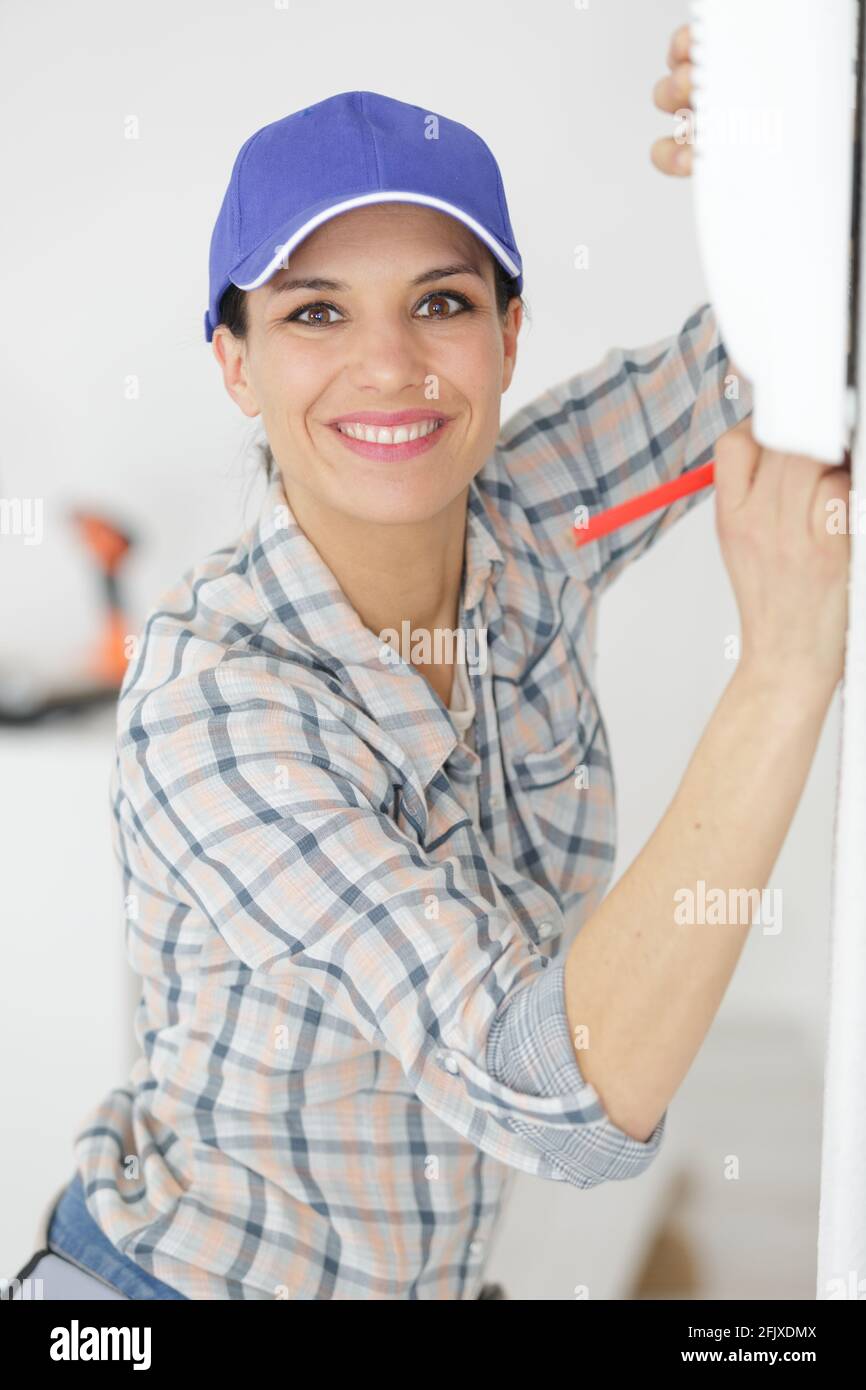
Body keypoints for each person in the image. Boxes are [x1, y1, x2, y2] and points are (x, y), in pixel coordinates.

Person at [41, 34, 850, 1300]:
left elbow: (789, 346)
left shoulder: (528, 513)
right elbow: (555, 1100)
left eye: (439, 301)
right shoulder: (213, 708)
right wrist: (783, 669)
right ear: (234, 362)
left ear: (507, 332)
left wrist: (800, 142)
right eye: (315, 310)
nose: (391, 366)